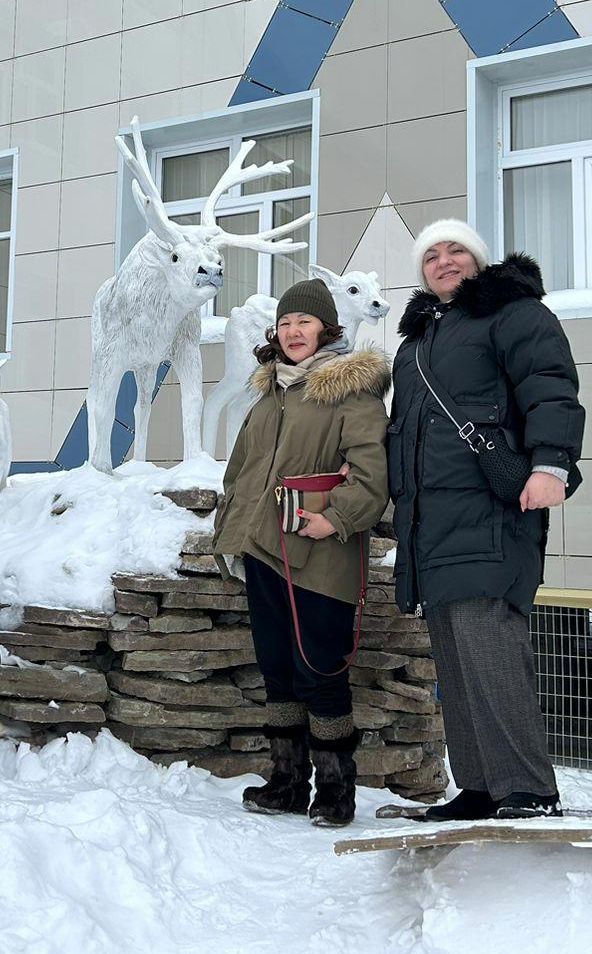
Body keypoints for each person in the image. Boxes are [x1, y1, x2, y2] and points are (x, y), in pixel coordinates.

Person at [388, 219, 585, 820]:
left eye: (456, 251)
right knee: (453, 652)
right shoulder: (418, 340)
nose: (443, 262)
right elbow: (407, 431)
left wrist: (552, 463)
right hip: (432, 519)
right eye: (431, 256)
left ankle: (527, 787)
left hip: (492, 510)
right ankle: (478, 785)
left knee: (491, 646)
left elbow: (549, 388)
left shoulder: (516, 314)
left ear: (477, 260)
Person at [213, 279, 390, 828]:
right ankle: (287, 782)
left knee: (319, 671)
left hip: (321, 555)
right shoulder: (270, 393)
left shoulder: (350, 391)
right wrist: (228, 521)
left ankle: (336, 791)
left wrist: (333, 518)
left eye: (305, 322)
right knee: (278, 671)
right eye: (286, 323)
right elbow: (242, 467)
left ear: (326, 330)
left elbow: (371, 473)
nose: (293, 331)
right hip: (266, 550)